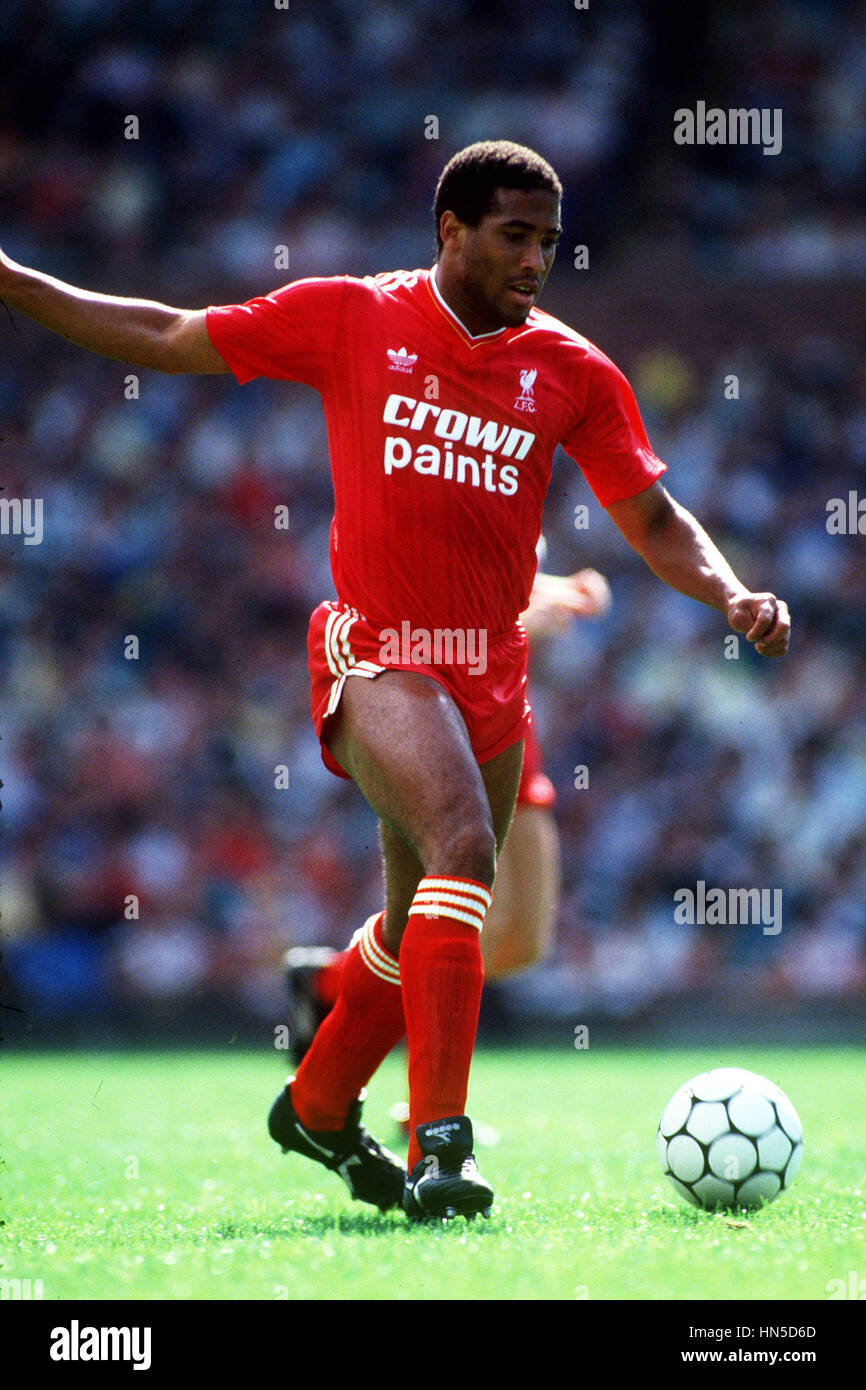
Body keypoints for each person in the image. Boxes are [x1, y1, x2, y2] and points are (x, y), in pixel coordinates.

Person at [0, 140, 790, 1223]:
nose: (534, 261)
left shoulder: (572, 371)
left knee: (424, 914)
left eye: (548, 243)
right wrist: (10, 279)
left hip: (491, 678)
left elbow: (650, 520)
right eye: (513, 235)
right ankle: (442, 1147)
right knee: (465, 849)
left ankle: (317, 1103)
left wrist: (732, 593)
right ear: (449, 230)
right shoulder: (351, 316)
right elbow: (166, 335)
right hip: (375, 651)